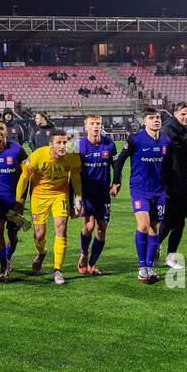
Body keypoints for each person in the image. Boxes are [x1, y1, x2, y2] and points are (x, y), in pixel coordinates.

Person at [15, 128, 83, 285]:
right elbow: (24, 176)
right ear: (51, 144)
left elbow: (76, 175)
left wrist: (78, 197)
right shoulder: (39, 155)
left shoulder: (73, 154)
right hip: (39, 196)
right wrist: (19, 200)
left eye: (65, 142)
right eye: (58, 142)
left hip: (60, 194)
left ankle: (57, 270)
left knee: (61, 227)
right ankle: (41, 252)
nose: (62, 146)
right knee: (39, 234)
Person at [113, 107, 172, 283]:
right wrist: (116, 181)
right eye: (152, 118)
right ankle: (141, 268)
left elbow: (169, 165)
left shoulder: (166, 140)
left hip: (159, 190)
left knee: (155, 228)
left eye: (158, 117)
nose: (156, 120)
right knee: (144, 225)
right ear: (144, 121)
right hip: (139, 189)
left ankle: (149, 266)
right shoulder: (136, 139)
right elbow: (120, 160)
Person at [0, 119, 29, 281]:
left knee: (13, 234)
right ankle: (3, 266)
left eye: (1, 128)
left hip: (14, 202)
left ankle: (8, 257)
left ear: (6, 132)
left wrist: (22, 199)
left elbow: (27, 176)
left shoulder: (18, 150)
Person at [156, 102, 187, 268]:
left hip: (180, 184)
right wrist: (164, 185)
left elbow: (186, 159)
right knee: (168, 221)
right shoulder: (167, 131)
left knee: (180, 222)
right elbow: (161, 160)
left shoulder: (185, 131)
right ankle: (154, 248)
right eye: (183, 114)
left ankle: (170, 256)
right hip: (168, 185)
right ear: (175, 113)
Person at [76, 114, 116, 275]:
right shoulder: (78, 145)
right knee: (89, 227)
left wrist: (116, 183)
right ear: (86, 127)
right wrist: (77, 196)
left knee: (101, 230)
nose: (96, 126)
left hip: (103, 194)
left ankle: (92, 263)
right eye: (92, 123)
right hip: (86, 194)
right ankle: (83, 253)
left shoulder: (109, 144)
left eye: (98, 123)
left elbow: (116, 165)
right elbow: (74, 173)